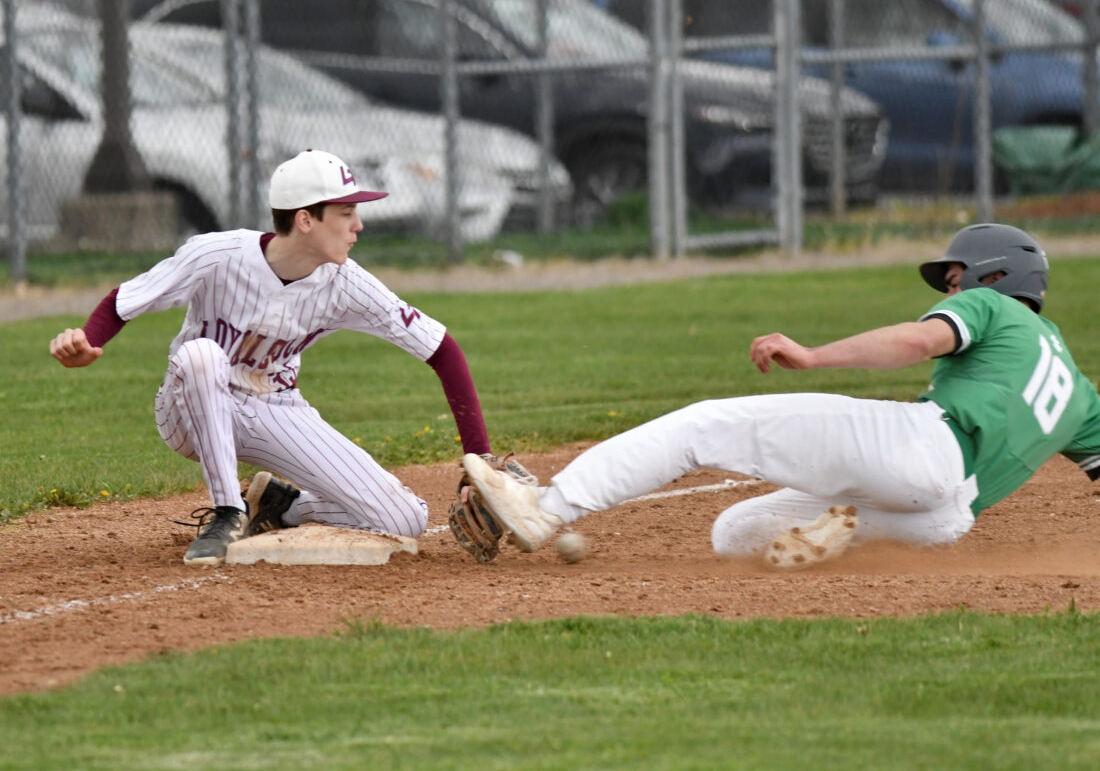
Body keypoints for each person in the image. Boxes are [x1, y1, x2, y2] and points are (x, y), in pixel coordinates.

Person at [460, 223, 1100, 570]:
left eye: (958, 278)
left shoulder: (990, 308)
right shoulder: (1080, 393)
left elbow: (915, 340)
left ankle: (546, 508)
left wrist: (816, 355)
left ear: (995, 278)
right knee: (737, 533)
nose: (952, 289)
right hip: (945, 519)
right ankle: (838, 530)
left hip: (925, 448)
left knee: (703, 426)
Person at [50, 150, 496, 566]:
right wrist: (87, 340)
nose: (357, 225)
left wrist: (479, 460)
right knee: (202, 356)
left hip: (275, 407)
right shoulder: (217, 255)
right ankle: (226, 513)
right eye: (345, 213)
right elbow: (124, 300)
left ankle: (279, 506)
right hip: (189, 407)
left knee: (403, 518)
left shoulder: (346, 283)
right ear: (305, 219)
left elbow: (443, 351)